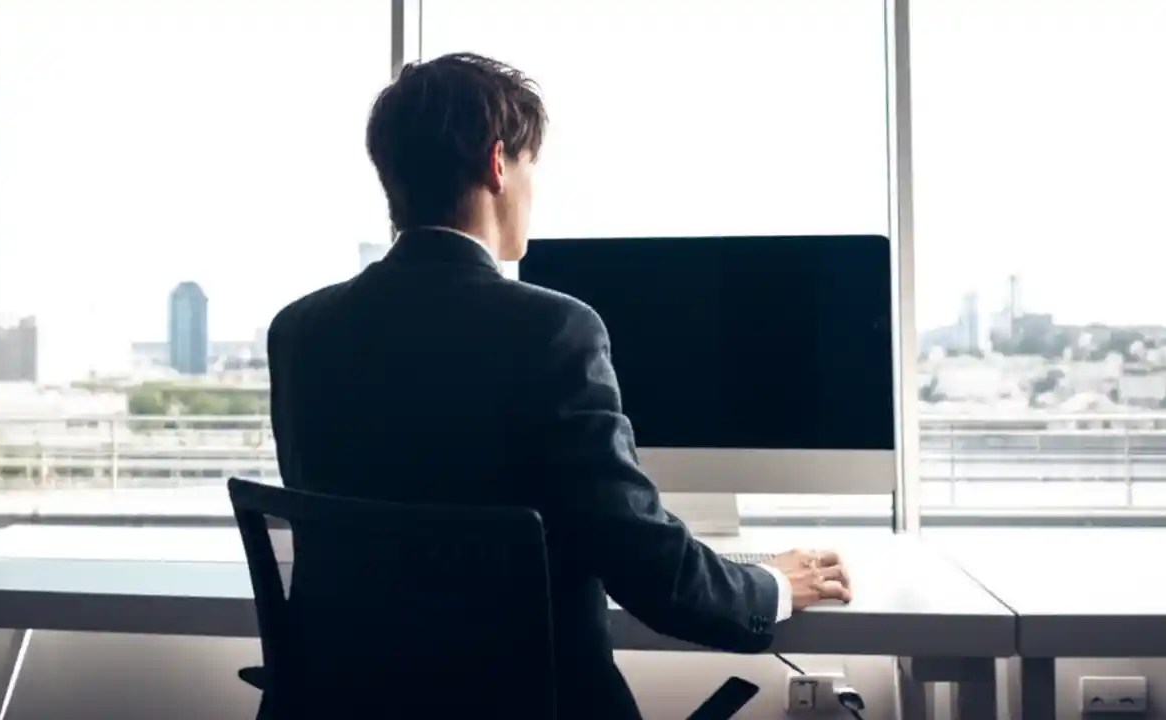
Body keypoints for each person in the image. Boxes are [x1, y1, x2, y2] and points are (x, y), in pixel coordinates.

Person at [266, 52, 851, 719]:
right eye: (530, 165)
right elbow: (644, 566)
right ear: (497, 164)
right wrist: (771, 585)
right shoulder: (552, 329)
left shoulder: (300, 332)